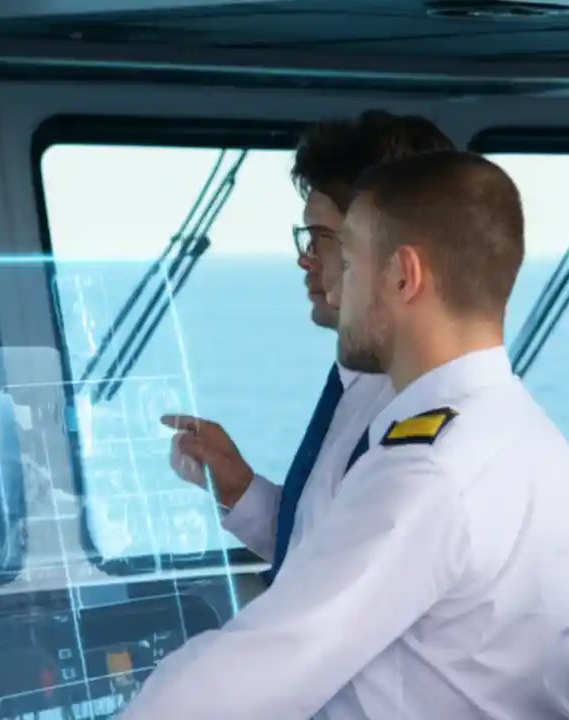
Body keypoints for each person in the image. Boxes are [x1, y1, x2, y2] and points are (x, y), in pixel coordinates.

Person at [121, 151, 569, 719]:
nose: (336, 289)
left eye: (347, 262)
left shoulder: (427, 470)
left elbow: (263, 667)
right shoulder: (534, 440)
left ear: (402, 276)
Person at [163, 110, 455, 581]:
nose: (305, 259)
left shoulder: (433, 423)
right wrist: (238, 487)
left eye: (321, 239)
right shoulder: (361, 380)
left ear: (394, 255)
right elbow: (319, 547)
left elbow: (343, 599)